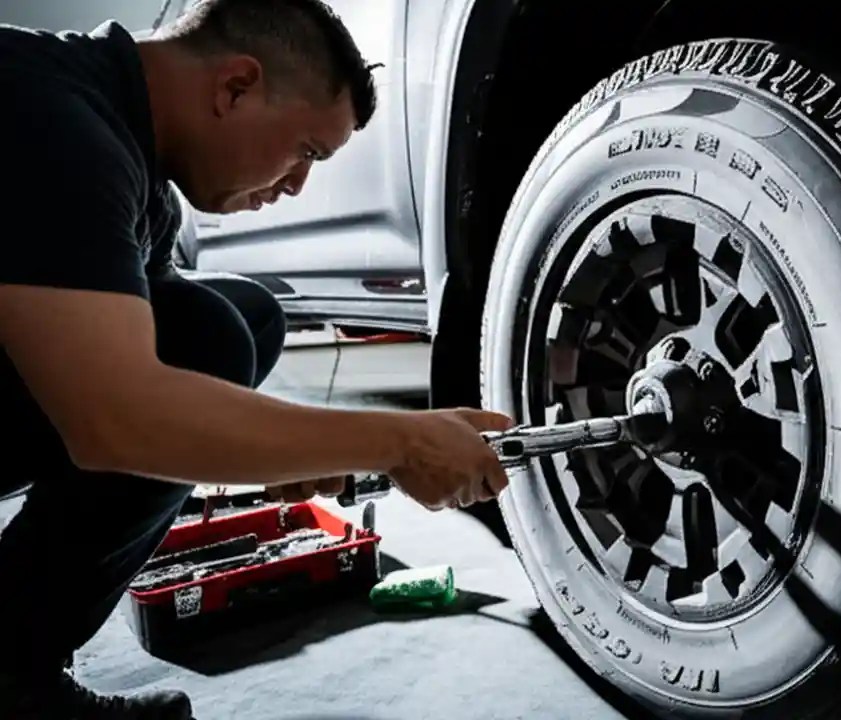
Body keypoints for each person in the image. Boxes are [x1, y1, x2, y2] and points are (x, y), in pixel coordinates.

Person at [0, 1, 513, 717]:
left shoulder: (134, 165)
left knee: (244, 316)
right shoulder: (51, 116)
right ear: (235, 86)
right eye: (307, 150)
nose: (299, 186)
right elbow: (116, 418)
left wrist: (292, 448)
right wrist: (396, 438)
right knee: (206, 342)